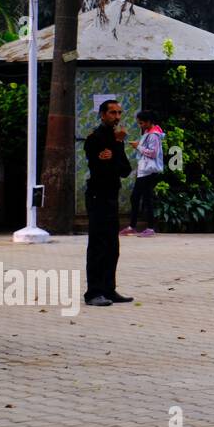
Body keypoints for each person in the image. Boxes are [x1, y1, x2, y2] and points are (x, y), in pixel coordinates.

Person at [84, 99, 134, 306]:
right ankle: (94, 292)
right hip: (97, 196)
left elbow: (124, 169)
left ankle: (109, 289)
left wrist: (116, 148)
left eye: (119, 113)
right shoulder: (94, 139)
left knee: (112, 245)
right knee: (98, 244)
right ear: (103, 115)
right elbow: (100, 168)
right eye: (113, 113)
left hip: (112, 196)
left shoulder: (116, 139)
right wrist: (114, 148)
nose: (117, 117)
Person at [122, 110, 163, 238]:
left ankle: (147, 228)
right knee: (140, 198)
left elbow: (153, 153)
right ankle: (135, 226)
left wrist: (138, 146)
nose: (140, 125)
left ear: (149, 122)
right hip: (144, 170)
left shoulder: (154, 135)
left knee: (143, 198)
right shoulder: (148, 133)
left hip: (148, 171)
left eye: (142, 123)